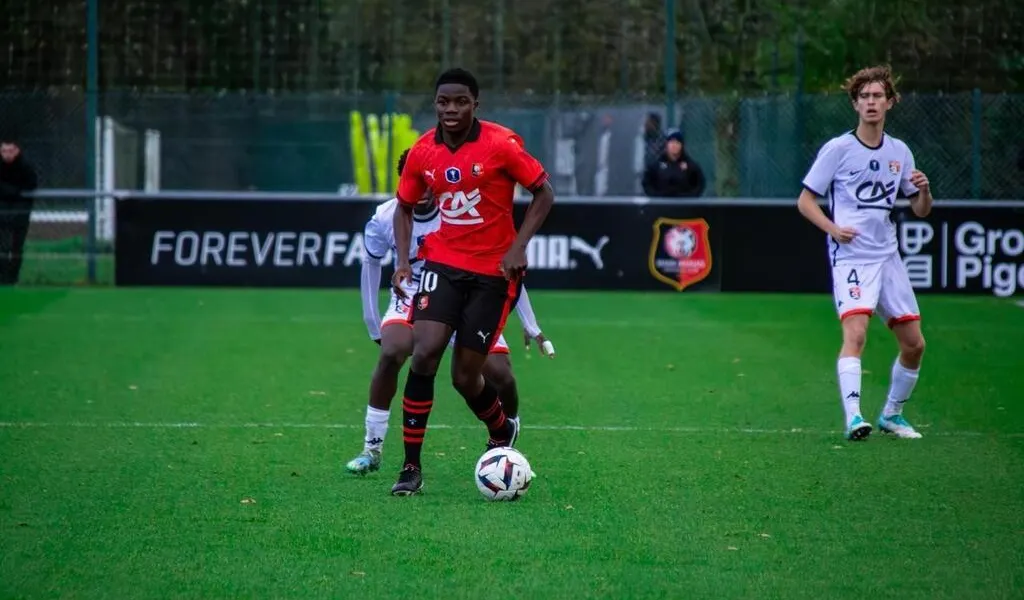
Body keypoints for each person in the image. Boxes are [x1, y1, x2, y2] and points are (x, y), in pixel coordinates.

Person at [388, 68, 555, 496]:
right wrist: (405, 260)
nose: (451, 109)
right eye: (443, 102)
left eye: (460, 101)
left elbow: (544, 193)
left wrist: (517, 248)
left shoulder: (501, 145)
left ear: (475, 104)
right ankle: (410, 467)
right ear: (435, 104)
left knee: (466, 378)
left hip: (493, 274)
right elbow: (404, 207)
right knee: (423, 354)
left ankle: (501, 432)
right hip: (442, 264)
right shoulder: (424, 151)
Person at [346, 149, 555, 476]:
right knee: (392, 351)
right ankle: (372, 448)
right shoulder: (386, 217)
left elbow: (502, 266)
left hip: (465, 294)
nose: (426, 190)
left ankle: (505, 447)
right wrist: (373, 324)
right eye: (417, 182)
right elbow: (370, 264)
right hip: (413, 295)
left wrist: (530, 323)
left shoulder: (458, 211)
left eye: (430, 182)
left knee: (501, 374)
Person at [797, 65, 933, 441]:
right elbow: (805, 201)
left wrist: (923, 190)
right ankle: (855, 417)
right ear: (855, 104)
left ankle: (892, 414)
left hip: (887, 256)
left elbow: (920, 209)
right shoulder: (839, 149)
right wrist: (832, 229)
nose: (872, 103)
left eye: (878, 96)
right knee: (855, 335)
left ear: (890, 102)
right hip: (852, 256)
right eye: (865, 97)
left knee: (914, 344)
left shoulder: (899, 151)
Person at [0, 138, 39, 285]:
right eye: (4, 151)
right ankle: (2, 278)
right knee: (2, 247)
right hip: (2, 215)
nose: (7, 155)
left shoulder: (26, 167)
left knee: (17, 247)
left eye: (10, 151)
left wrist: (12, 192)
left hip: (20, 214)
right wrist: (13, 191)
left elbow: (31, 185)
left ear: (17, 150)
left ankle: (12, 279)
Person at [641, 128, 706, 198]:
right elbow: (647, 183)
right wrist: (657, 197)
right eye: (671, 142)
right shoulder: (656, 165)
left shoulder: (691, 165)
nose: (674, 145)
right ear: (666, 145)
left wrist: (689, 198)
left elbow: (699, 184)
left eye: (677, 142)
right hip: (661, 205)